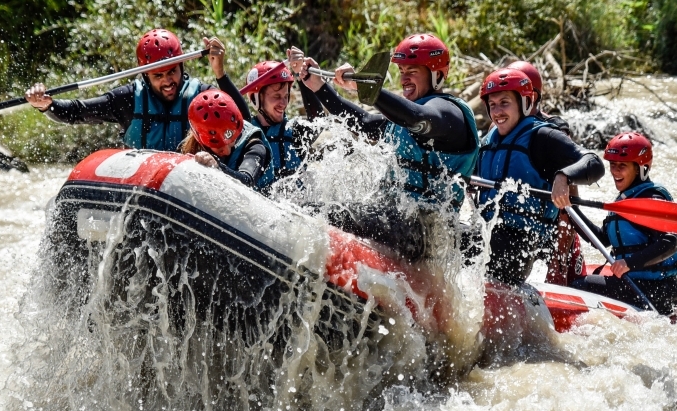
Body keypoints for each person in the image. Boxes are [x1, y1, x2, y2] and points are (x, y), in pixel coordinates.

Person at [300, 33, 480, 261]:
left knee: (323, 211)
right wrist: (320, 87)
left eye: (412, 71)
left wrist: (367, 87)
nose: (404, 79)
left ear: (436, 75)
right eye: (402, 72)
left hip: (426, 231)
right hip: (400, 221)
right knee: (319, 202)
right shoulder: (404, 120)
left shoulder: (450, 113)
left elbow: (417, 117)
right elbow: (363, 122)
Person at [476, 68, 604, 287]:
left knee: (496, 247)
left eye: (504, 103)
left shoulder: (544, 136)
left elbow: (594, 163)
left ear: (525, 103)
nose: (497, 112)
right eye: (492, 105)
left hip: (523, 237)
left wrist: (564, 176)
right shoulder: (491, 138)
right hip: (490, 230)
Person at [25, 30, 239, 152]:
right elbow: (78, 112)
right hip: (142, 188)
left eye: (172, 72)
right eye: (158, 75)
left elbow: (241, 122)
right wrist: (47, 105)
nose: (167, 81)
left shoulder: (202, 97)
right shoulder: (128, 99)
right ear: (145, 75)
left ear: (181, 67)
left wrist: (220, 73)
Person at [569, 132, 677, 316]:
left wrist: (629, 263)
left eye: (622, 165)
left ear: (640, 168)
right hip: (637, 286)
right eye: (612, 164)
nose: (615, 171)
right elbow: (601, 239)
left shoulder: (653, 199)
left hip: (656, 291)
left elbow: (669, 243)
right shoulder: (624, 201)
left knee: (578, 286)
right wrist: (572, 210)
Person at [506, 59, 584, 285]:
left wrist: (565, 240)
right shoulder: (497, 128)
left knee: (557, 273)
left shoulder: (553, 130)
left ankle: (562, 273)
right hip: (512, 221)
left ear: (531, 97)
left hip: (550, 222)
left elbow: (572, 197)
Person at [236, 48, 325, 188]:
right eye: (277, 96)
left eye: (285, 96)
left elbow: (318, 122)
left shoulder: (294, 130)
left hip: (295, 206)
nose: (283, 103)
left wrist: (302, 76)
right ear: (255, 99)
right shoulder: (245, 132)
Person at [181, 90, 271, 189]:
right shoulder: (191, 144)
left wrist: (218, 167)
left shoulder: (255, 146)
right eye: (219, 147)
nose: (227, 151)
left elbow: (247, 181)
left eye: (231, 140)